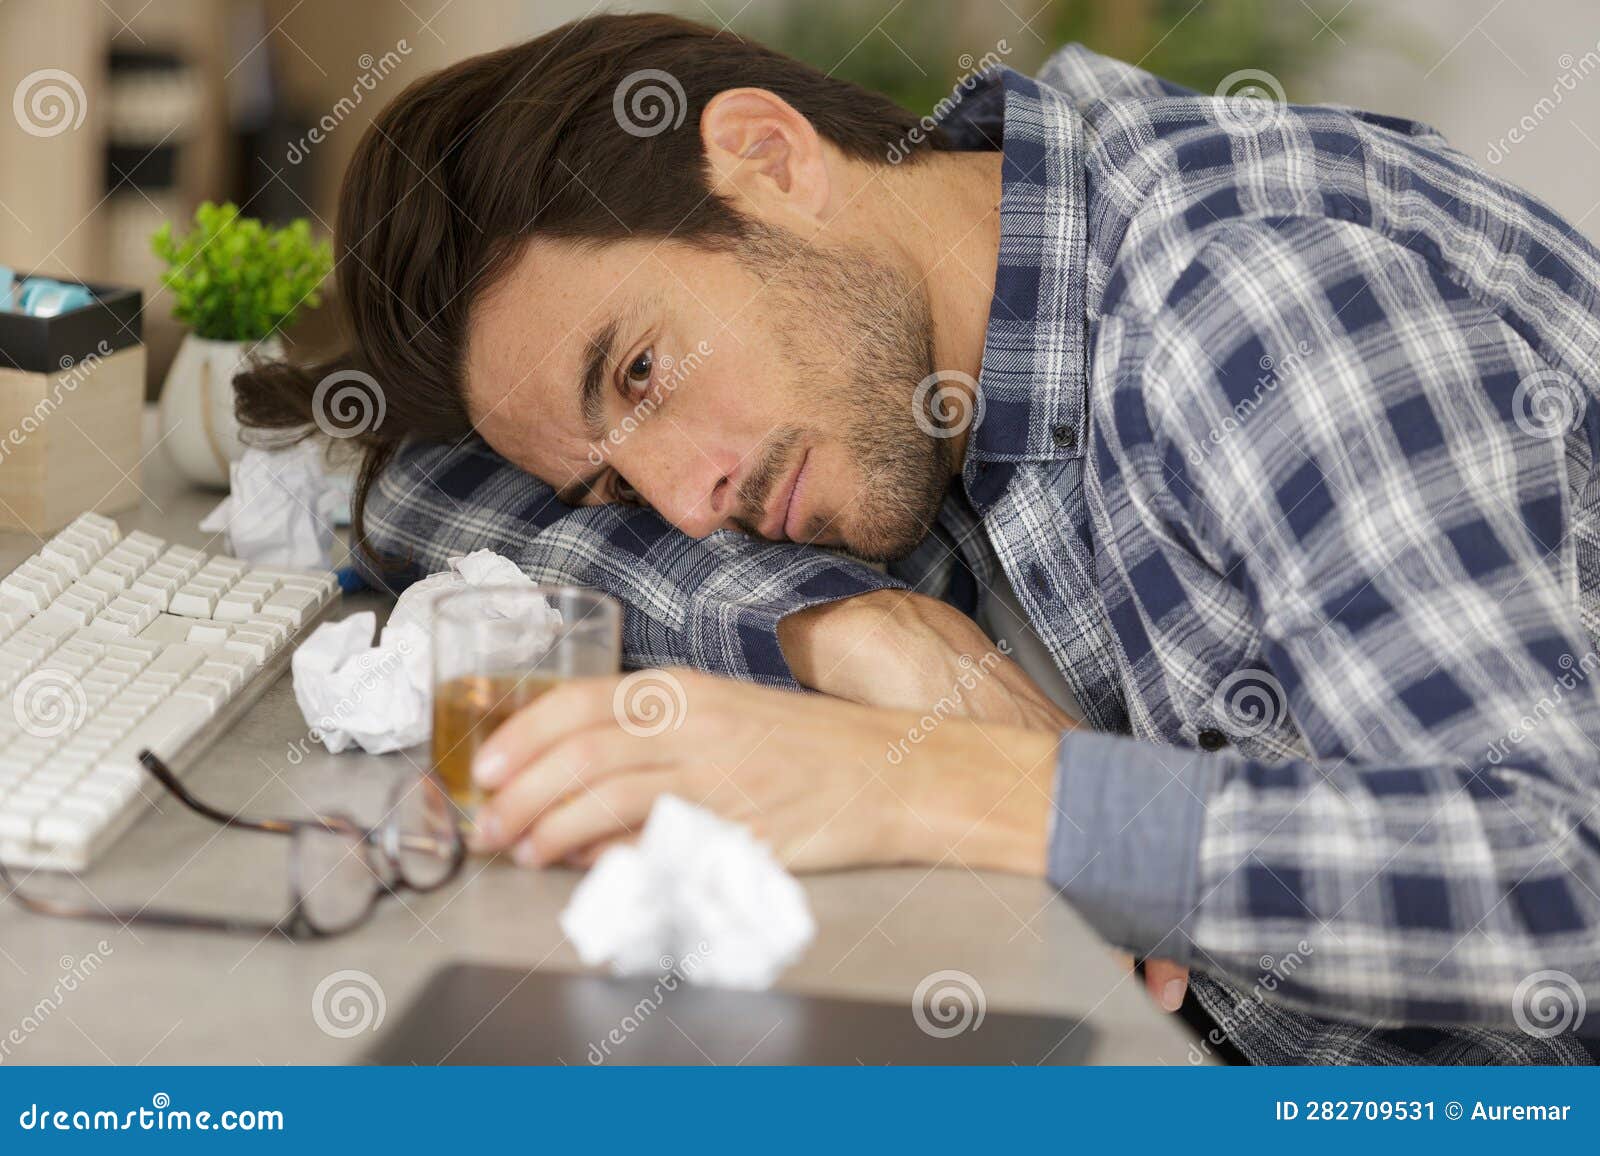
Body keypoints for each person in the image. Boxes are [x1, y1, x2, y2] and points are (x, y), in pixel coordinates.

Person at [234, 13, 1600, 1064]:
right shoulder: (936, 323)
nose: (686, 497)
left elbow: (1562, 882)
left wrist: (930, 784)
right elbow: (416, 485)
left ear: (769, 158)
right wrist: (856, 630)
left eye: (641, 373)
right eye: (609, 481)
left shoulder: (1241, 307)